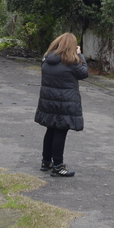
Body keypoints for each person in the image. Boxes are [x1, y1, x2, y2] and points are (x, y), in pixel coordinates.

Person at [34, 33, 88, 178]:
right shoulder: (71, 61)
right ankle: (58, 165)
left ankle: (46, 162)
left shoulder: (47, 59)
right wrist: (80, 55)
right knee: (60, 132)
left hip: (48, 101)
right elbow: (84, 73)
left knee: (50, 130)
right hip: (65, 102)